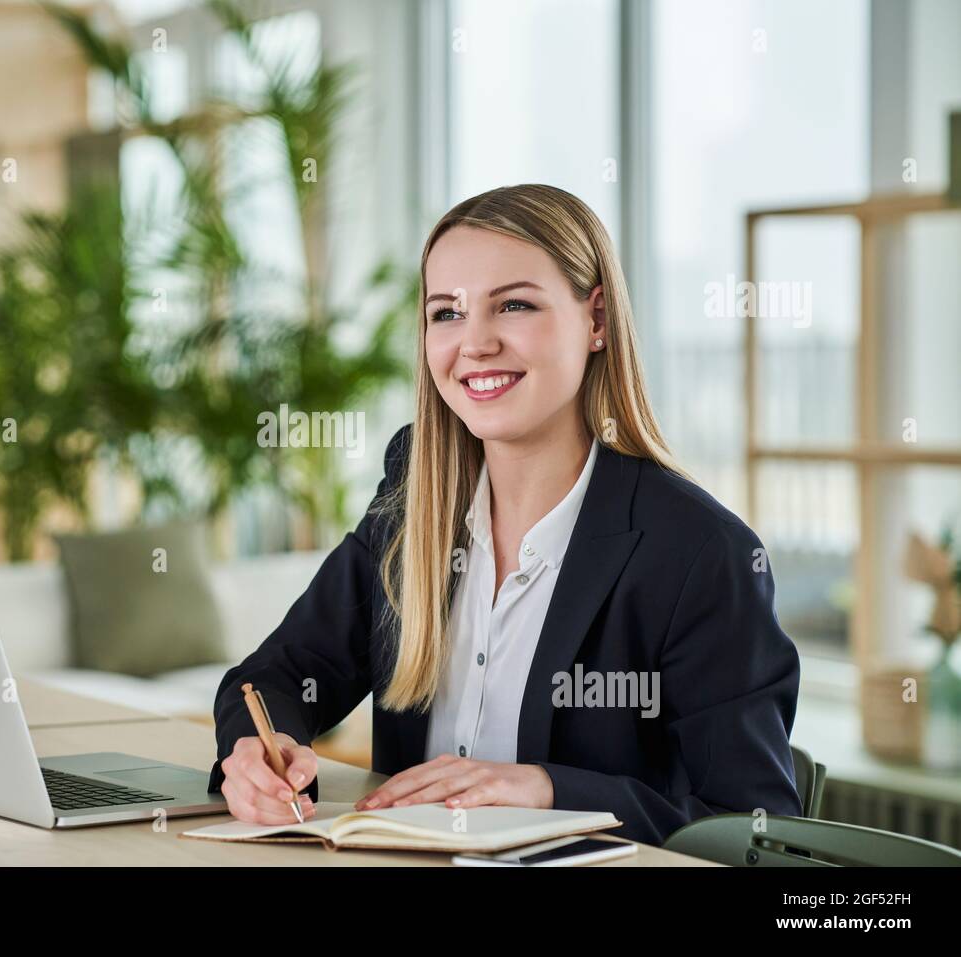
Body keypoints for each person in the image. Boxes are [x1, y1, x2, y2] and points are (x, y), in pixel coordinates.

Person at [207, 183, 802, 846]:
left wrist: (547, 789)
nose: (475, 343)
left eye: (514, 304)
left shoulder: (699, 552)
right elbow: (275, 676)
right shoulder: (414, 494)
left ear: (597, 319)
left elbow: (761, 833)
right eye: (446, 313)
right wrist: (261, 751)